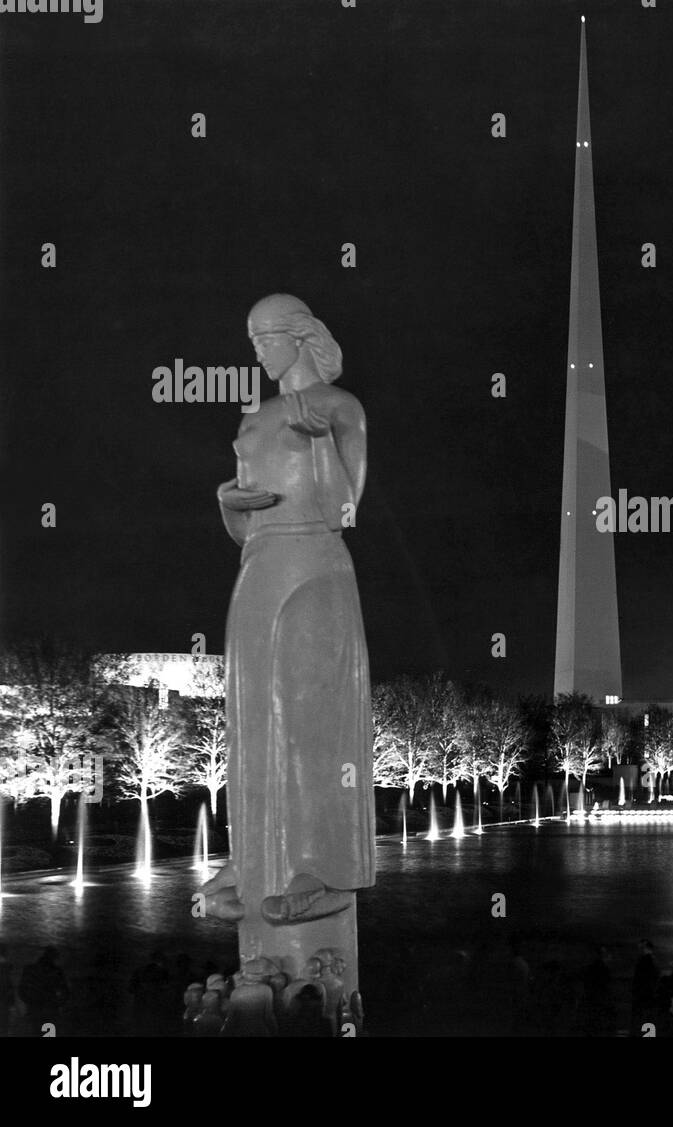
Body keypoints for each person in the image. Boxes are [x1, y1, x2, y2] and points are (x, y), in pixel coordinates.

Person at [200, 293, 374, 927]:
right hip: (259, 570)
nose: (259, 354)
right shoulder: (254, 420)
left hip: (316, 565)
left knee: (312, 719)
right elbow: (245, 530)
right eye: (252, 344)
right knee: (251, 720)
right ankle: (253, 859)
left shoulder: (338, 407)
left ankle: (322, 868)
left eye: (265, 340)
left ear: (300, 338)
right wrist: (229, 502)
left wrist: (322, 445)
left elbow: (343, 509)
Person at [19, 946, 70, 1035]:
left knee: (35, 1031)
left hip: (34, 1008)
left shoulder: (29, 969)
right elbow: (65, 992)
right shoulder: (57, 971)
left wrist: (30, 1001)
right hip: (51, 1009)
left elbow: (22, 990)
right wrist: (58, 1003)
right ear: (54, 957)